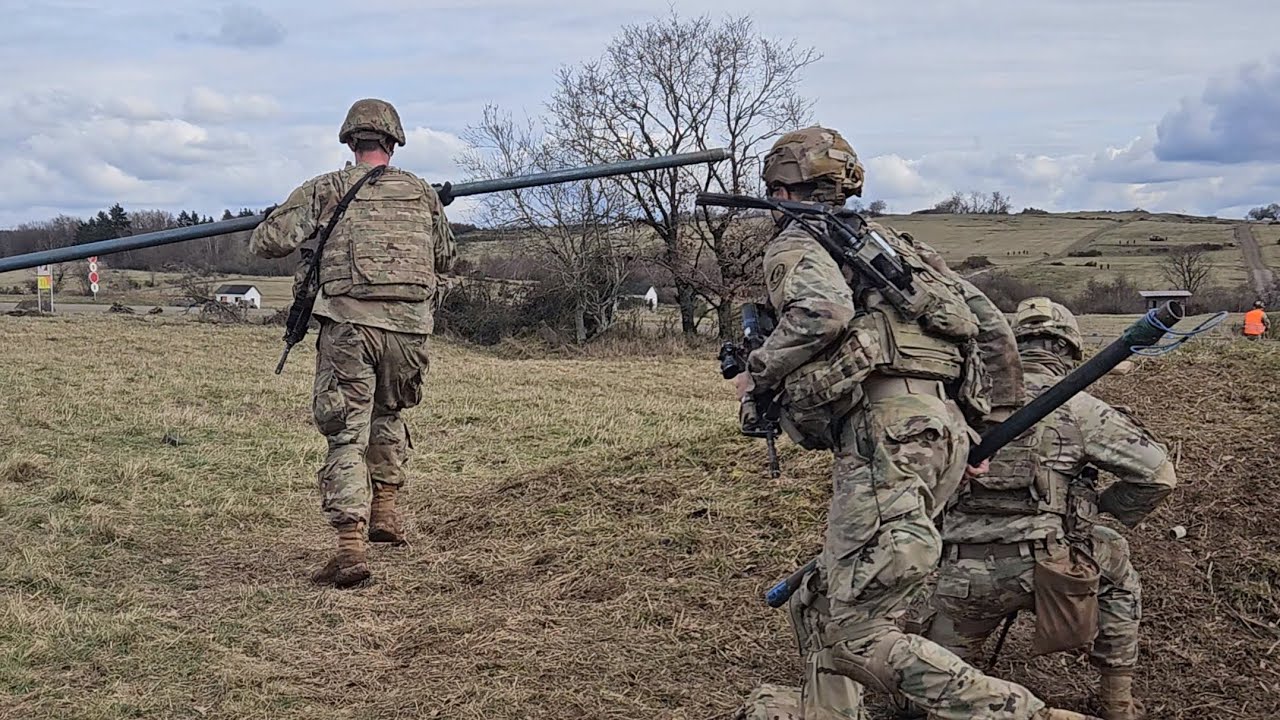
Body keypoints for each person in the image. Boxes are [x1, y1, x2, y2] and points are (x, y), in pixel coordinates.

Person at [732, 126, 1098, 720]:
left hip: (887, 437)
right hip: (938, 431)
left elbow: (822, 312)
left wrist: (759, 368)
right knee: (822, 593)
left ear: (780, 186)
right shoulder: (893, 246)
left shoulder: (799, 243)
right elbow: (992, 330)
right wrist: (977, 429)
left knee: (859, 635)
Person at [909, 298, 1177, 720]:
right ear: (1069, 351)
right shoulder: (1081, 406)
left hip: (963, 575)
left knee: (929, 683)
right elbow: (1158, 475)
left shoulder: (959, 402)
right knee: (1118, 572)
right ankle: (1117, 703)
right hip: (1053, 568)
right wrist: (1099, 508)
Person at [250, 98, 456, 588]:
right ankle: (385, 510)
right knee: (389, 415)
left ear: (350, 141)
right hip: (409, 330)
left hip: (348, 326)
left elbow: (266, 242)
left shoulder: (327, 188)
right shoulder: (422, 193)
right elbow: (445, 256)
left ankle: (349, 548)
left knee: (346, 431)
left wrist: (276, 216)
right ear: (394, 140)